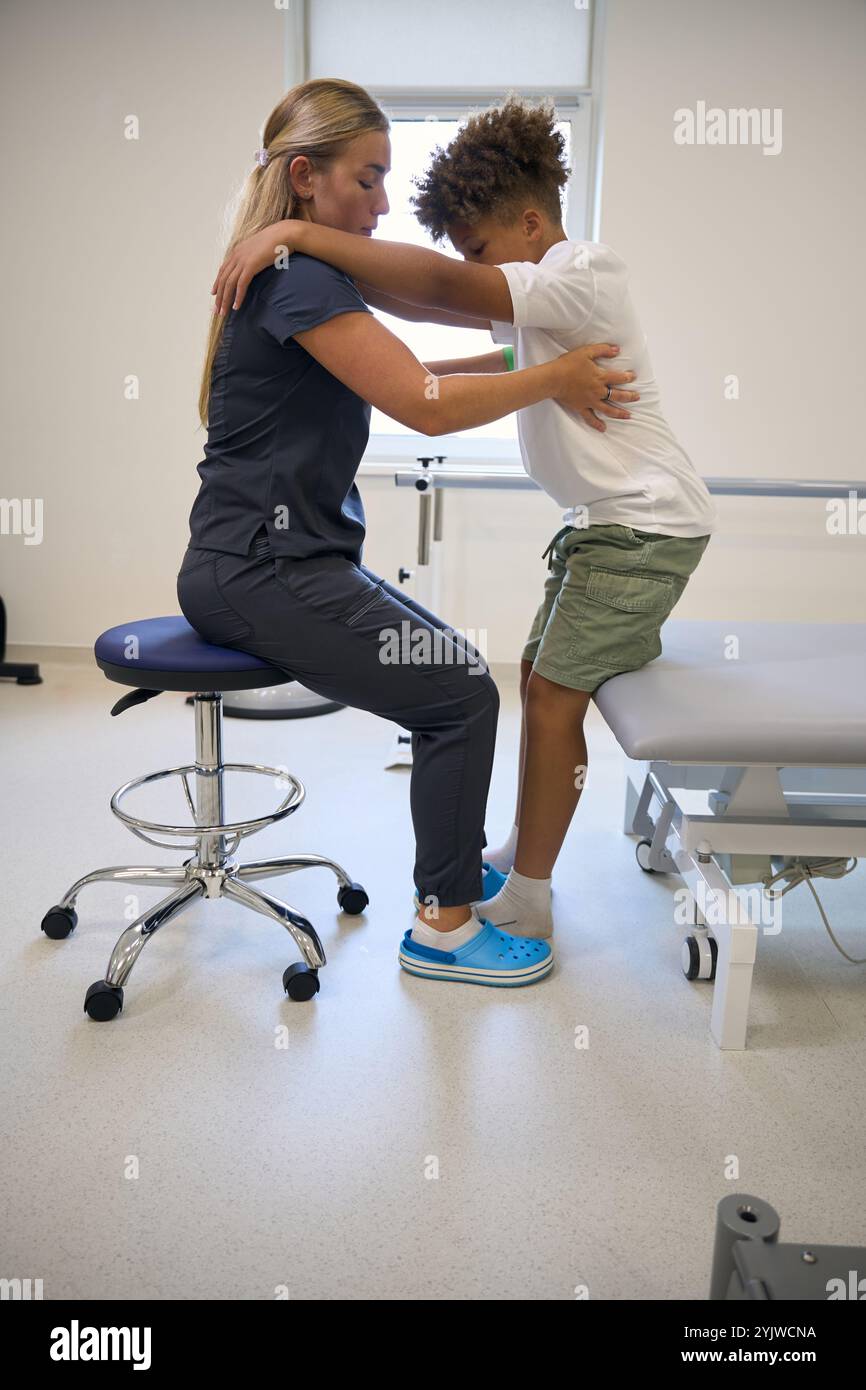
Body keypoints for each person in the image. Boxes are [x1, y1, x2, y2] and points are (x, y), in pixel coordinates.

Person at [211, 93, 716, 944]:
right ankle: (520, 854)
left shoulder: (582, 271)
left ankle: (531, 891)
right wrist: (298, 240)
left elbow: (444, 289)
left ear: (527, 223)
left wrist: (295, 233)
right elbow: (427, 312)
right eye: (365, 180)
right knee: (526, 684)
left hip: (641, 524)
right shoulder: (540, 303)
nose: (377, 202)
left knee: (553, 701)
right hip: (603, 525)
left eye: (482, 250)